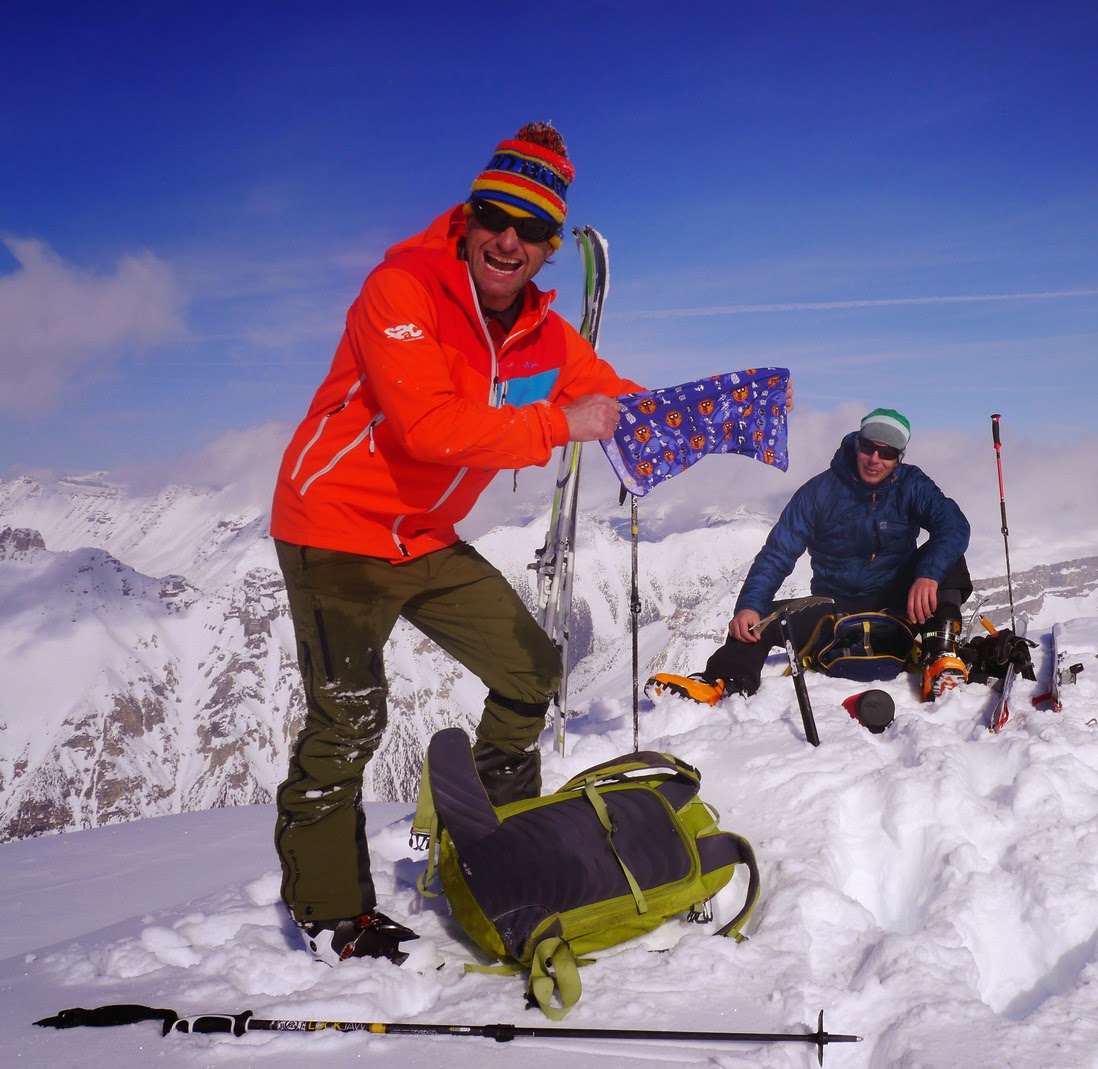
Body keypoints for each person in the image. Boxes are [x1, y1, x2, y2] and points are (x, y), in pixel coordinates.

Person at [269, 122, 640, 964]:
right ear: (468, 219)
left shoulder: (547, 335)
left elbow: (612, 398)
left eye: (532, 228)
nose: (509, 239)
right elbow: (429, 426)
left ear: (551, 248)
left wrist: (712, 415)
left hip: (423, 536)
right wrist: (558, 424)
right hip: (337, 530)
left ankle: (498, 838)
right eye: (494, 215)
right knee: (349, 722)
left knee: (530, 669)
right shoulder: (401, 290)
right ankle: (333, 911)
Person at [653, 407, 973, 706]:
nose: (875, 459)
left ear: (898, 458)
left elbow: (954, 526)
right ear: (857, 445)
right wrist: (750, 606)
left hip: (900, 600)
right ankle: (723, 682)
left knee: (946, 558)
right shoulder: (819, 492)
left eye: (887, 453)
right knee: (757, 618)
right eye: (868, 448)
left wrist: (927, 574)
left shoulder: (912, 485)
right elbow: (778, 554)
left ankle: (940, 659)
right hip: (833, 606)